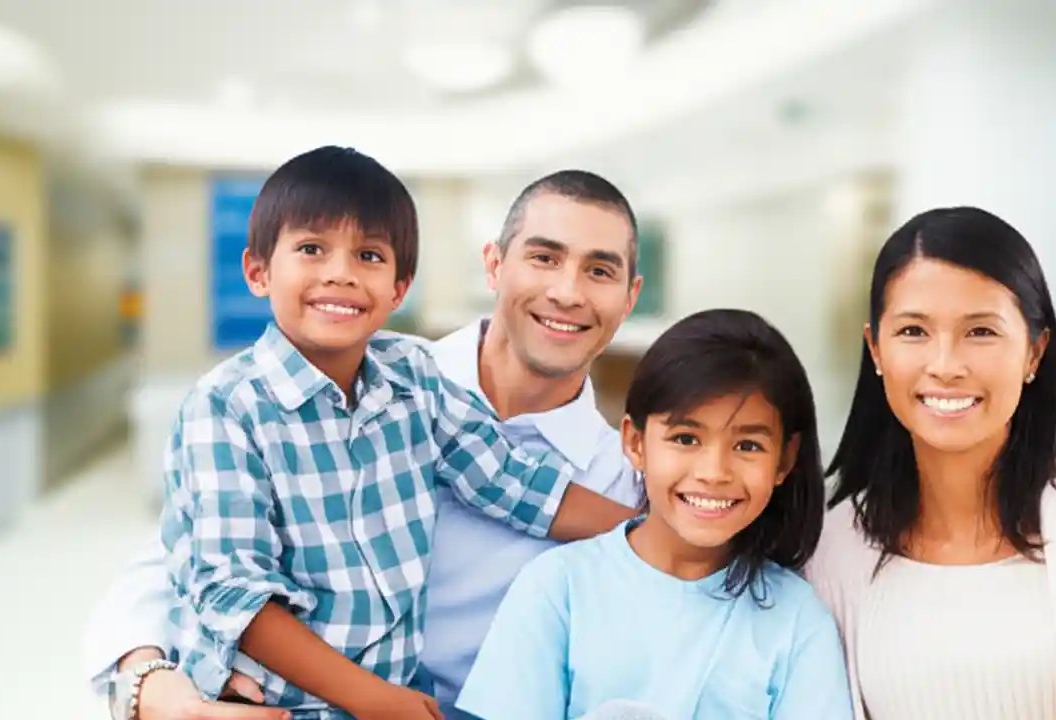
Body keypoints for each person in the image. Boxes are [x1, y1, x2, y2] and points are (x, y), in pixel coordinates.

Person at [83, 168, 646, 720]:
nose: (566, 291)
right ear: (494, 265)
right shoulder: (237, 404)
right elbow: (187, 565)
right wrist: (144, 680)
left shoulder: (621, 479)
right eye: (544, 257)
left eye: (599, 270)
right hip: (277, 701)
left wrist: (665, 530)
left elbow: (509, 482)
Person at [807, 206, 1056, 719]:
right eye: (914, 332)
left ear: (1035, 352)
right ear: (875, 350)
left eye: (980, 332)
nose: (944, 366)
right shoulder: (829, 555)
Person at [456, 309, 854, 720]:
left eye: (748, 446)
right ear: (635, 442)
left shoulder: (797, 620)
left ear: (784, 461)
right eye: (686, 438)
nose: (714, 473)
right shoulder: (559, 588)